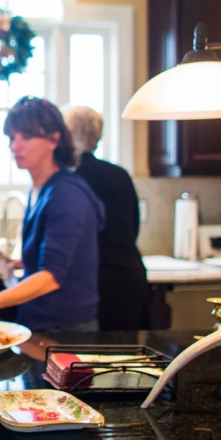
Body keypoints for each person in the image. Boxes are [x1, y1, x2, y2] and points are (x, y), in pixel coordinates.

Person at [0, 97, 105, 332]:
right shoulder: (40, 189)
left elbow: (51, 276)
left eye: (27, 136)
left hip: (65, 330)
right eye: (12, 138)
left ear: (54, 139)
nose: (16, 145)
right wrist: (16, 264)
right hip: (41, 321)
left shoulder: (66, 194)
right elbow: (59, 256)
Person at [64, 106, 151, 331]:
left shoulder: (70, 180)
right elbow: (133, 226)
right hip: (129, 277)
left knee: (93, 360)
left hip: (94, 284)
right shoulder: (119, 174)